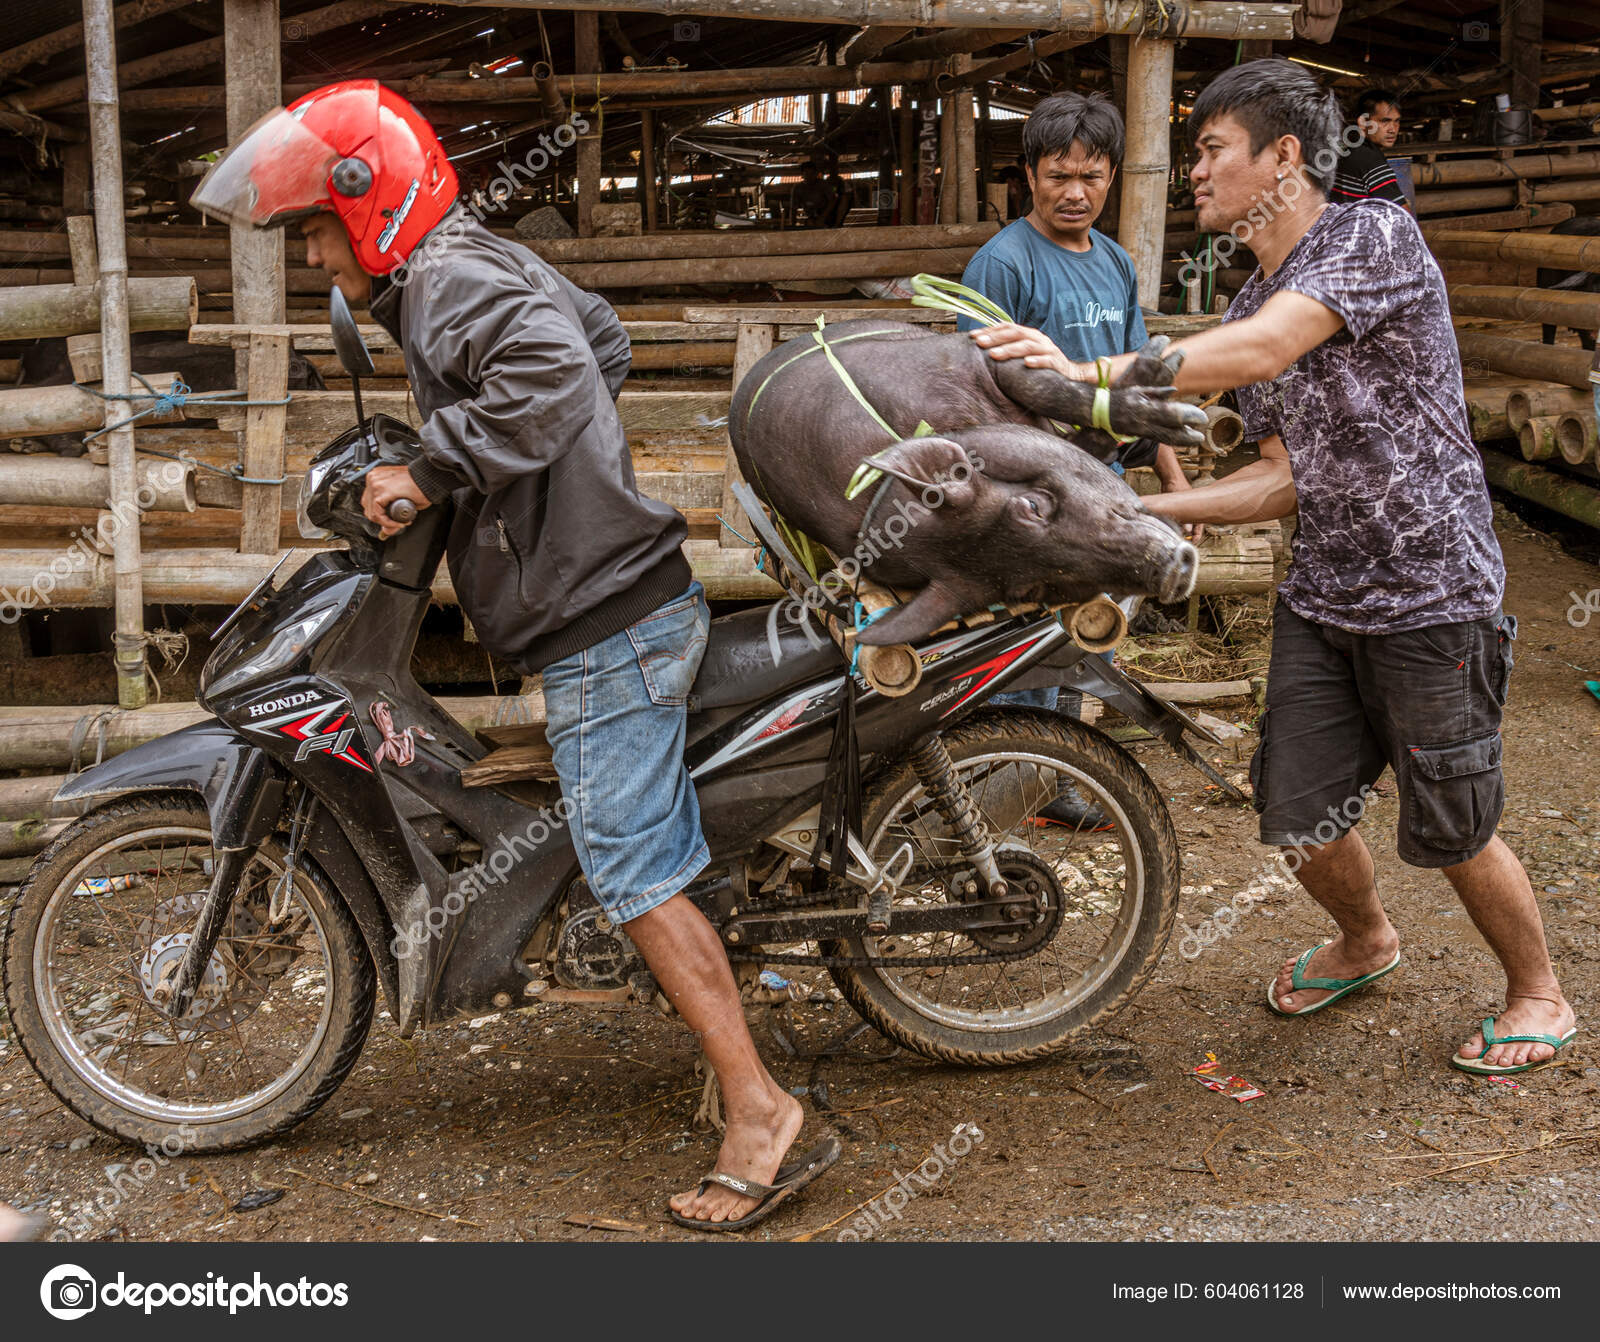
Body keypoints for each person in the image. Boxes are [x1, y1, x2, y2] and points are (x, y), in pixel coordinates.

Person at [190, 81, 837, 1230]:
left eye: (311, 233)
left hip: (606, 627)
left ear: (367, 202)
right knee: (633, 847)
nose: (311, 260)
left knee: (629, 867)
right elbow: (600, 341)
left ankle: (761, 1111)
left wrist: (440, 468)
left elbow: (554, 374)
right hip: (613, 600)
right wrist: (542, 485)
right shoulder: (467, 261)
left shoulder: (449, 280)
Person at [969, 58, 1577, 1075]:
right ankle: (1365, 938)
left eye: (1209, 151)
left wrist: (1071, 370)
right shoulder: (1252, 293)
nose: (1192, 174)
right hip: (1325, 589)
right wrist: (1136, 507)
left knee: (1453, 816)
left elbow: (1259, 351)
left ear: (1283, 157)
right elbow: (1277, 478)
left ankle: (1537, 991)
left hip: (1431, 591)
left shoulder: (1368, 238)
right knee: (1294, 807)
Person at [957, 91, 1194, 829]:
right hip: (1032, 491)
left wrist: (1173, 475)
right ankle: (995, 786)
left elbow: (1132, 377)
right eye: (1060, 174)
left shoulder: (1116, 263)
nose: (1075, 191)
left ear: (1113, 177)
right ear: (1029, 176)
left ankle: (1050, 784)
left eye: (1091, 175)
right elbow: (976, 393)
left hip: (1106, 481)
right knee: (1021, 638)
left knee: (1089, 634)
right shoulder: (1001, 264)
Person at [1329, 87, 1410, 210]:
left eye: (1396, 121)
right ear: (1363, 122)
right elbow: (1403, 216)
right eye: (1385, 121)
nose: (1393, 129)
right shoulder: (1370, 161)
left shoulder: (1344, 145)